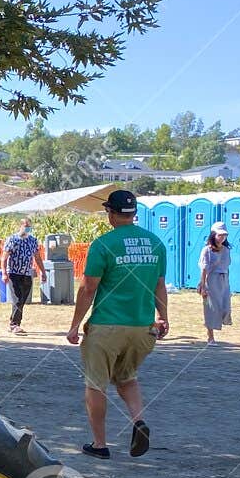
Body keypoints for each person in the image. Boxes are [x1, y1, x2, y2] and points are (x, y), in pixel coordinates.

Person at [65, 190, 168, 460]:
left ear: (110, 213)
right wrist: (163, 317)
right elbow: (160, 285)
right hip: (142, 327)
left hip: (107, 326)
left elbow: (88, 288)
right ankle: (138, 420)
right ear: (134, 214)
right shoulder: (155, 243)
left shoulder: (103, 244)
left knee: (96, 384)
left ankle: (99, 444)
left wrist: (75, 325)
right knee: (127, 377)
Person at [3, 219, 46, 333]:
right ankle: (14, 325)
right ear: (20, 226)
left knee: (22, 300)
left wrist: (43, 272)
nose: (27, 228)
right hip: (14, 273)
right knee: (17, 298)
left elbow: (37, 257)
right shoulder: (12, 239)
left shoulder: (32, 241)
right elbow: (4, 257)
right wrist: (4, 273)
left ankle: (15, 323)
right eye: (26, 226)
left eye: (29, 227)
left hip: (27, 274)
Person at [197, 222, 231, 343]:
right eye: (220, 235)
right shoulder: (206, 250)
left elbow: (227, 267)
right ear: (213, 235)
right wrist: (203, 286)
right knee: (211, 308)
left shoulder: (226, 250)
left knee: (225, 307)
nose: (222, 237)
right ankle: (210, 337)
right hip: (211, 280)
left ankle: (217, 326)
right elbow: (204, 269)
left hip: (224, 280)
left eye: (224, 235)